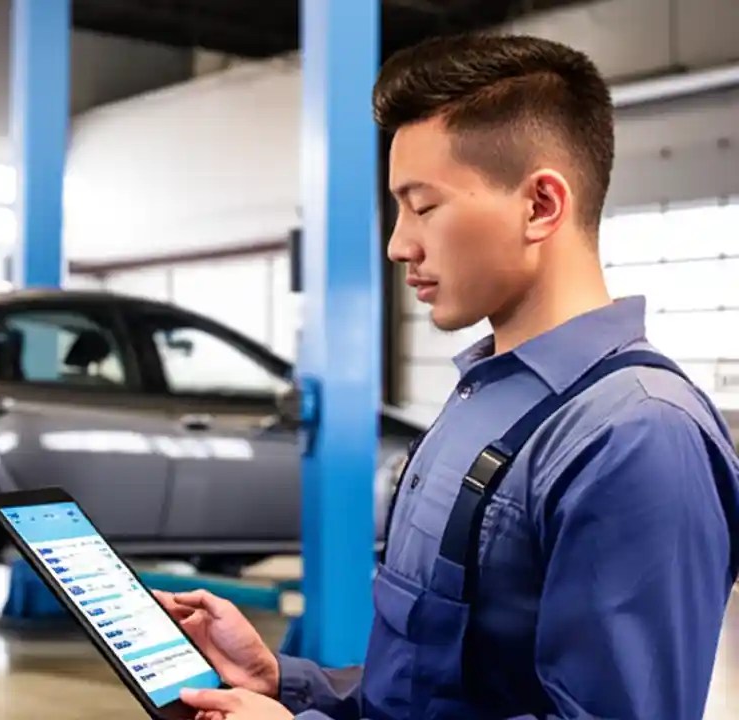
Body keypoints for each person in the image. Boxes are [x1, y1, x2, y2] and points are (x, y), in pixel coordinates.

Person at [158, 33, 739, 720]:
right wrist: (282, 681)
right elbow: (433, 689)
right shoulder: (484, 398)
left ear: (541, 206)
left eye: (424, 205)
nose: (399, 243)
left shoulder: (638, 438)